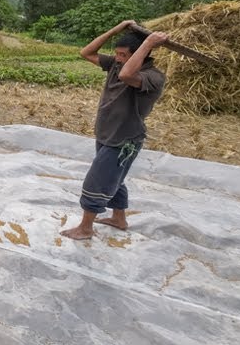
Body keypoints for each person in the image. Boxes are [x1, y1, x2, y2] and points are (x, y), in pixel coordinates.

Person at [61, 20, 168, 241]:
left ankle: (86, 228)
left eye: (123, 55)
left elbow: (128, 76)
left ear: (141, 54)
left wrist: (148, 43)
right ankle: (119, 219)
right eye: (116, 54)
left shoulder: (153, 77)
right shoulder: (116, 65)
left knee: (97, 180)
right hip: (107, 133)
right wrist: (116, 29)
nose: (118, 59)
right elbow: (86, 52)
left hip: (124, 139)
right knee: (114, 178)